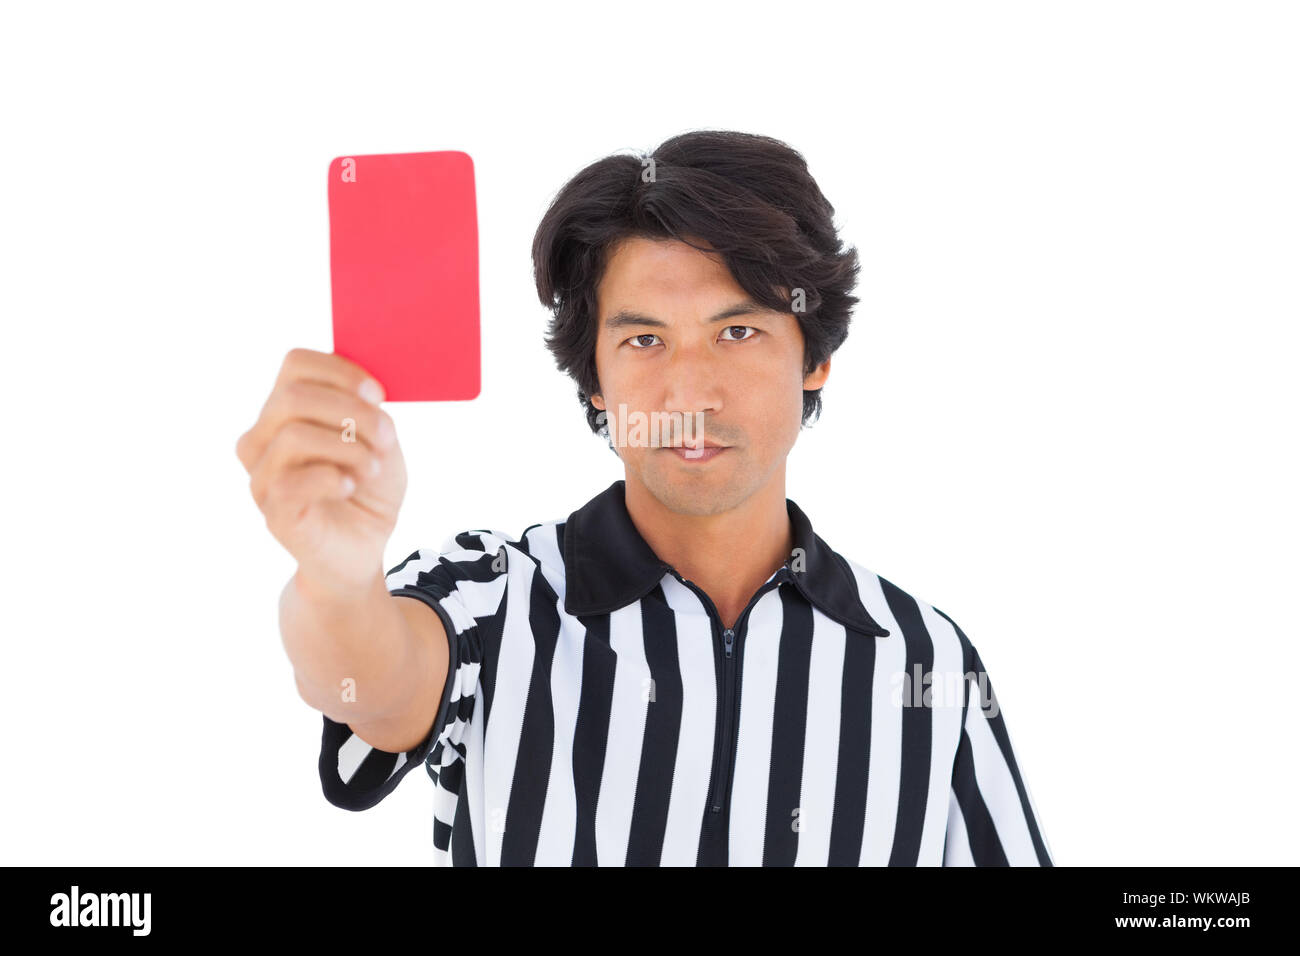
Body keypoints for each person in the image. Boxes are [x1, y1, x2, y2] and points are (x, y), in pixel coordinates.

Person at [235, 130, 1054, 866]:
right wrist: (338, 579)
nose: (689, 391)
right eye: (644, 340)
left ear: (815, 358)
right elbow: (373, 681)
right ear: (595, 382)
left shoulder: (923, 657)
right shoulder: (498, 596)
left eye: (738, 331)